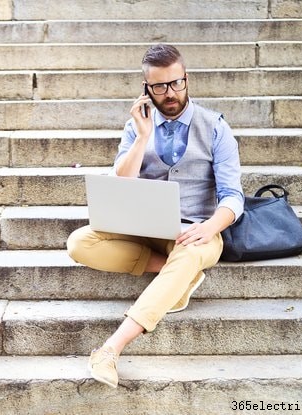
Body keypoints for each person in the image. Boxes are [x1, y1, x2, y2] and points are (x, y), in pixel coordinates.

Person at [66, 44, 244, 388]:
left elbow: (233, 197)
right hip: (146, 227)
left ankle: (110, 349)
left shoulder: (216, 127)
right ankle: (175, 273)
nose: (170, 93)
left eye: (176, 83)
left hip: (198, 232)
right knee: (79, 242)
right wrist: (142, 138)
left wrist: (210, 227)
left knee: (190, 254)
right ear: (146, 89)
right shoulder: (136, 127)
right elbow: (122, 182)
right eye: (159, 87)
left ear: (186, 79)